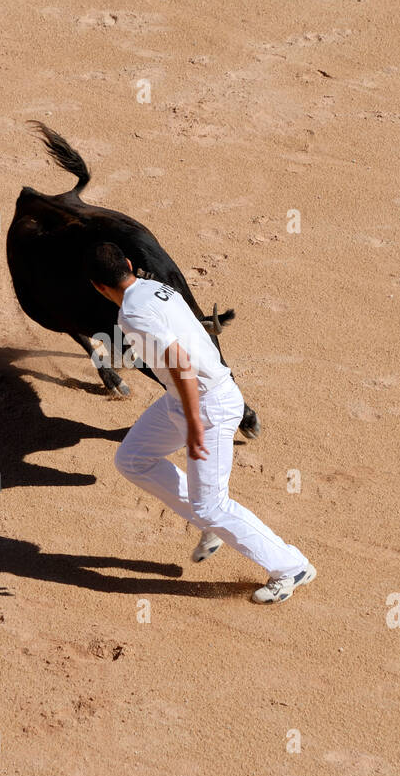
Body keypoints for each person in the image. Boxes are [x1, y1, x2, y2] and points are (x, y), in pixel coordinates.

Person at [87, 242, 317, 604]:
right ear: (129, 264)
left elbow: (180, 363)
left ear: (97, 287)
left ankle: (290, 566)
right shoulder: (155, 287)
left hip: (208, 404)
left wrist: (194, 423)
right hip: (184, 399)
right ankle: (207, 522)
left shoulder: (131, 315)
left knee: (212, 504)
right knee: (132, 459)